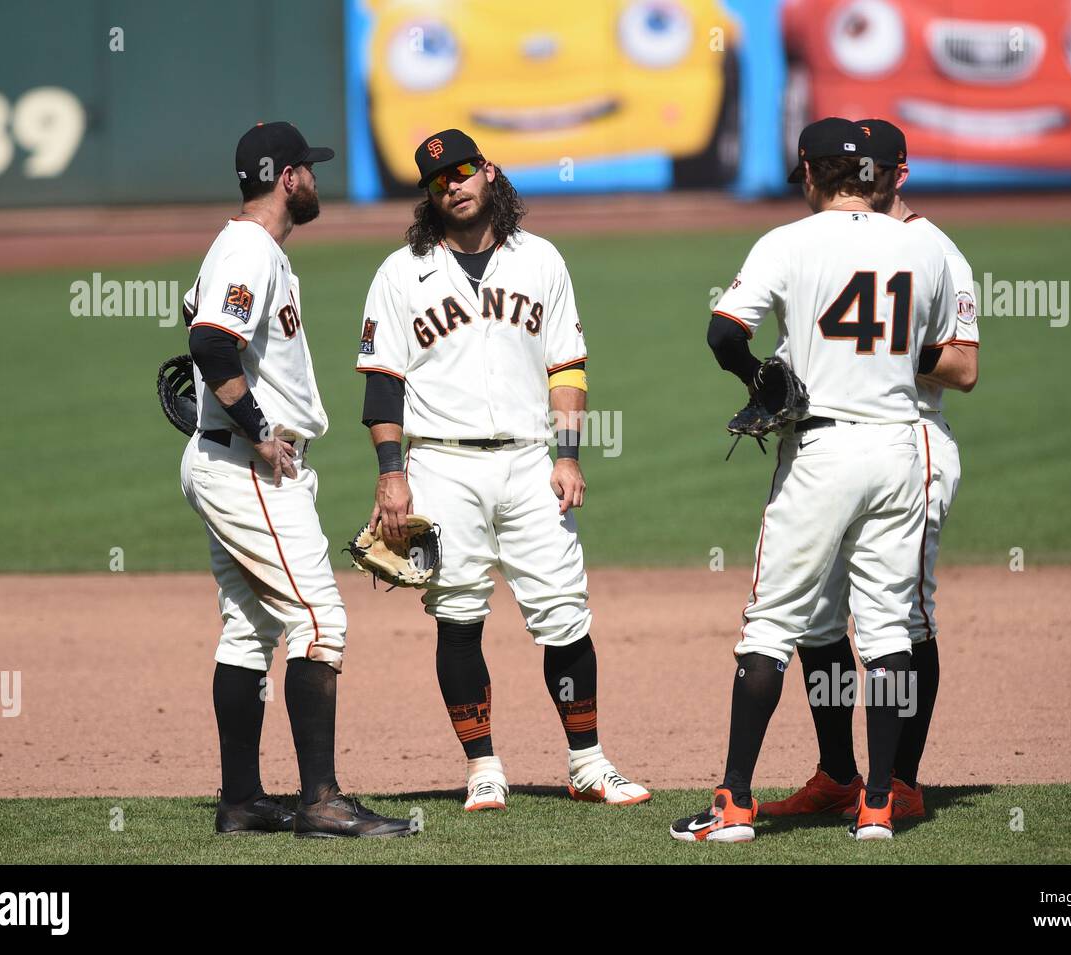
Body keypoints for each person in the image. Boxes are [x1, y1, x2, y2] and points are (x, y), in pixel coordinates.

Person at [670, 118, 956, 843]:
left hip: (823, 449)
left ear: (807, 171)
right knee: (889, 626)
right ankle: (880, 805)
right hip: (901, 449)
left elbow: (723, 333)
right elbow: (939, 356)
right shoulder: (922, 247)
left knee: (772, 622)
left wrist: (761, 376)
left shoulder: (788, 241)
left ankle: (732, 805)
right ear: (878, 176)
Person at [354, 128, 649, 812]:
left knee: (565, 615)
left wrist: (568, 454)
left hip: (527, 462)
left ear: (488, 171)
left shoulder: (539, 260)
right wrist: (391, 475)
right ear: (430, 194)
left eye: (461, 171)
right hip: (440, 466)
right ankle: (482, 765)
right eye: (437, 179)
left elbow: (566, 365)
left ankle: (588, 762)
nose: (451, 184)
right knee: (457, 615)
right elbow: (381, 384)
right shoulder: (402, 272)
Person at [181, 121, 413, 838]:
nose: (315, 178)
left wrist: (226, 408)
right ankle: (321, 801)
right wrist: (254, 425)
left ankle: (242, 802)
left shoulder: (245, 248)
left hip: (227, 456)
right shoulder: (250, 247)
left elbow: (201, 326)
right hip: (250, 464)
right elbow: (210, 341)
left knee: (250, 631)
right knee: (321, 621)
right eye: (308, 168)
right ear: (286, 178)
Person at [758, 118, 979, 822]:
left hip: (913, 444)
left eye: (878, 170)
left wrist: (884, 353)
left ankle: (903, 780)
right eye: (857, 169)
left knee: (904, 619)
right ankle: (837, 772)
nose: (865, 181)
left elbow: (965, 366)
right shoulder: (831, 241)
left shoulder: (931, 248)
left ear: (897, 175)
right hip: (835, 447)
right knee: (819, 617)